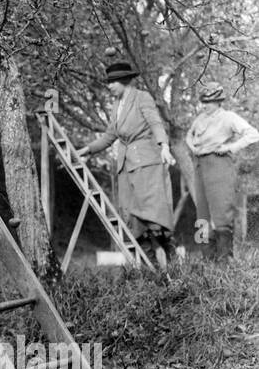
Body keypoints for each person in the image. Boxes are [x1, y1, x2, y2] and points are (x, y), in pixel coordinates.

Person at [77, 60, 177, 269]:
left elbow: (155, 123)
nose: (109, 86)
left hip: (146, 163)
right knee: (133, 223)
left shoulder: (142, 97)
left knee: (153, 218)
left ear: (123, 81)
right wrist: (87, 150)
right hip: (126, 168)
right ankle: (151, 273)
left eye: (112, 82)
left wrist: (164, 146)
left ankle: (173, 266)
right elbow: (109, 135)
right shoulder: (116, 106)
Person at [185, 83, 258, 262]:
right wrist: (192, 147)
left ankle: (225, 262)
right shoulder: (200, 119)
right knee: (202, 214)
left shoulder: (228, 117)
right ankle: (207, 261)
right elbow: (189, 135)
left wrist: (230, 147)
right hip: (200, 166)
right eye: (203, 101)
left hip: (219, 165)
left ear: (218, 101)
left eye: (209, 101)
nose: (205, 105)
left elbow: (253, 134)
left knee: (221, 213)